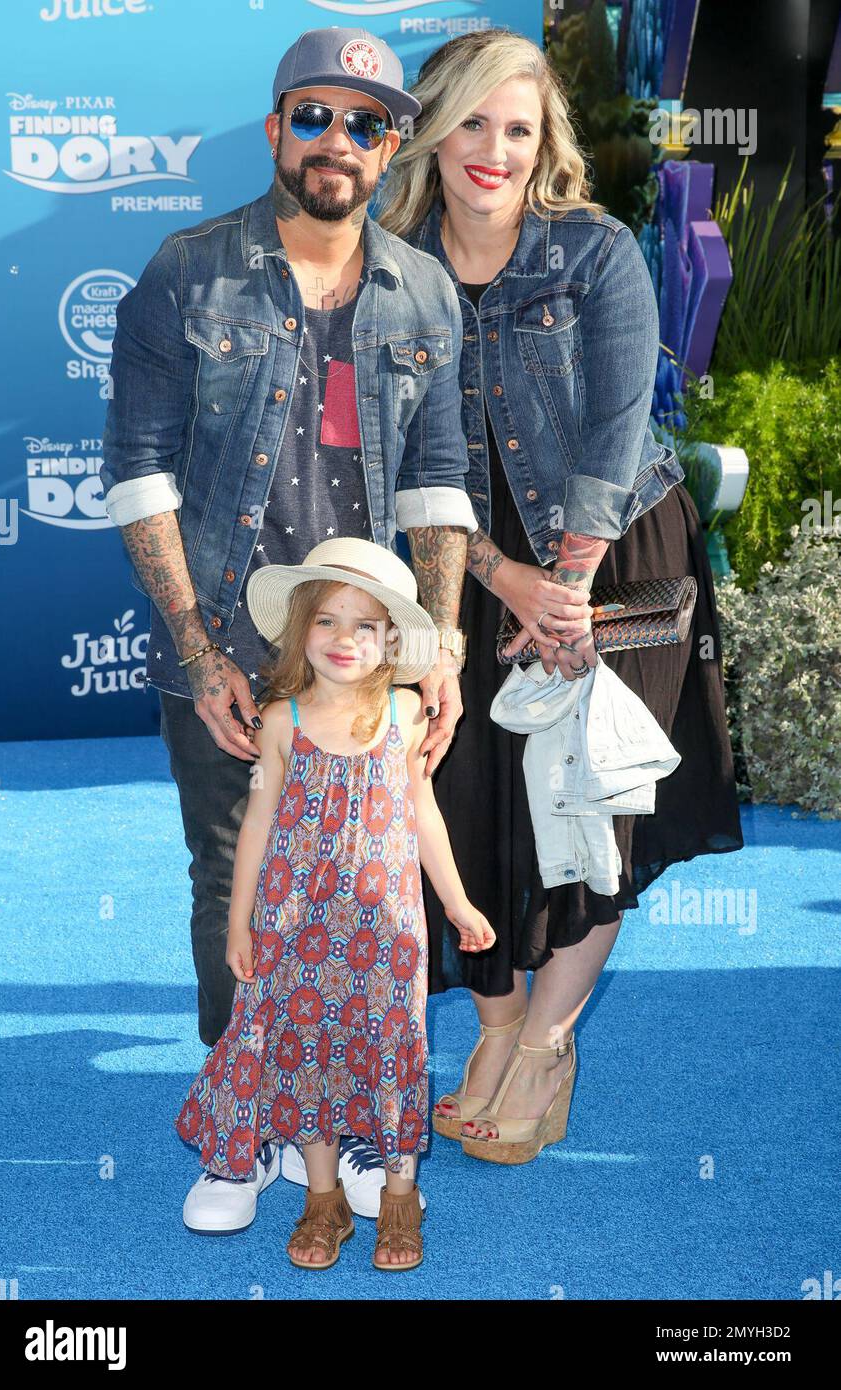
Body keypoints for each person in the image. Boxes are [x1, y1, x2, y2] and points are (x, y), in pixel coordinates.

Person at [99, 26, 479, 1224]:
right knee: (238, 877)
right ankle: (248, 1119)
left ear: (389, 146)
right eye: (312, 115)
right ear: (273, 129)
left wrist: (442, 647)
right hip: (227, 631)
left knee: (371, 887)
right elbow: (140, 475)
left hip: (371, 652)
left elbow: (437, 480)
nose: (336, 141)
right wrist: (201, 652)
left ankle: (365, 1124)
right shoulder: (186, 271)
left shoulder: (421, 289)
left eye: (363, 122)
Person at [376, 27, 744, 1163]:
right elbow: (399, 461)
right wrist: (499, 576)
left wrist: (568, 587)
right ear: (433, 133)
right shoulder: (388, 269)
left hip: (615, 556)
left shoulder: (591, 252)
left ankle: (544, 1043)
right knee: (476, 812)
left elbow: (615, 427)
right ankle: (490, 1028)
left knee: (590, 812)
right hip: (469, 569)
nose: (493, 149)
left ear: (546, 146)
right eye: (472, 123)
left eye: (518, 127)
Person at [175, 538, 494, 1269]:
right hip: (295, 927)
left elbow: (424, 818)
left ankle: (398, 1199)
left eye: (365, 624)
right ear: (299, 631)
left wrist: (459, 903)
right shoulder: (281, 721)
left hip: (388, 932)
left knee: (393, 1053)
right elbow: (255, 824)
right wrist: (238, 922)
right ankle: (322, 1203)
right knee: (304, 1050)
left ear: (393, 639)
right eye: (326, 621)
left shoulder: (408, 714)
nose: (344, 639)